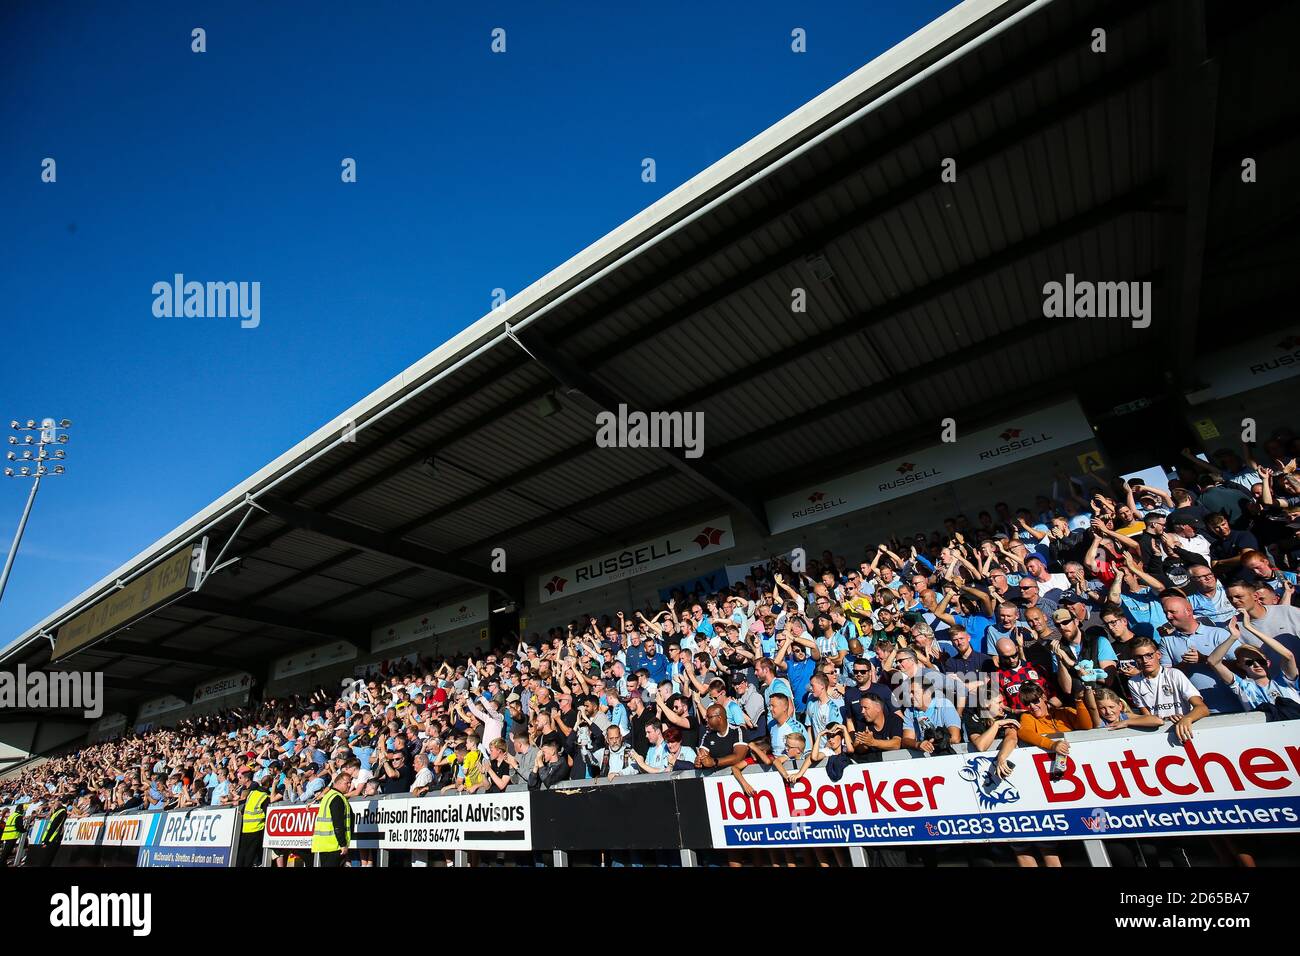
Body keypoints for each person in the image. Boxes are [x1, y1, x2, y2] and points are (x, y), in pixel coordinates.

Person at [1119, 637, 1210, 741]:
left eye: (1149, 655)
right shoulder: (1133, 682)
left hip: (1186, 730)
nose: (1145, 661)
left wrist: (1187, 718)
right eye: (1139, 657)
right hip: (1158, 733)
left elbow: (1203, 708)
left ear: (1158, 655)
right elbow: (1147, 717)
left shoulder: (1174, 674)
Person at [1206, 615, 1300, 714]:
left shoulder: (1285, 681)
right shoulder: (1242, 687)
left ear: (1268, 663)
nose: (1256, 664)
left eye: (1260, 661)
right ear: (1241, 665)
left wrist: (1249, 627)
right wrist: (1233, 637)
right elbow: (1213, 661)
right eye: (1249, 662)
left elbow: (1288, 656)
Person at [311, 769, 354, 867]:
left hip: (325, 845)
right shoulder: (337, 798)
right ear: (338, 783)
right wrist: (343, 844)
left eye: (350, 783)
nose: (349, 785)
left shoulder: (329, 796)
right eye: (347, 783)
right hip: (334, 845)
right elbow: (338, 824)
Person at [237, 769, 270, 867]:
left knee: (246, 858)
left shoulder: (260, 794)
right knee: (245, 857)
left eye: (240, 778)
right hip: (249, 829)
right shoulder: (253, 793)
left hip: (255, 829)